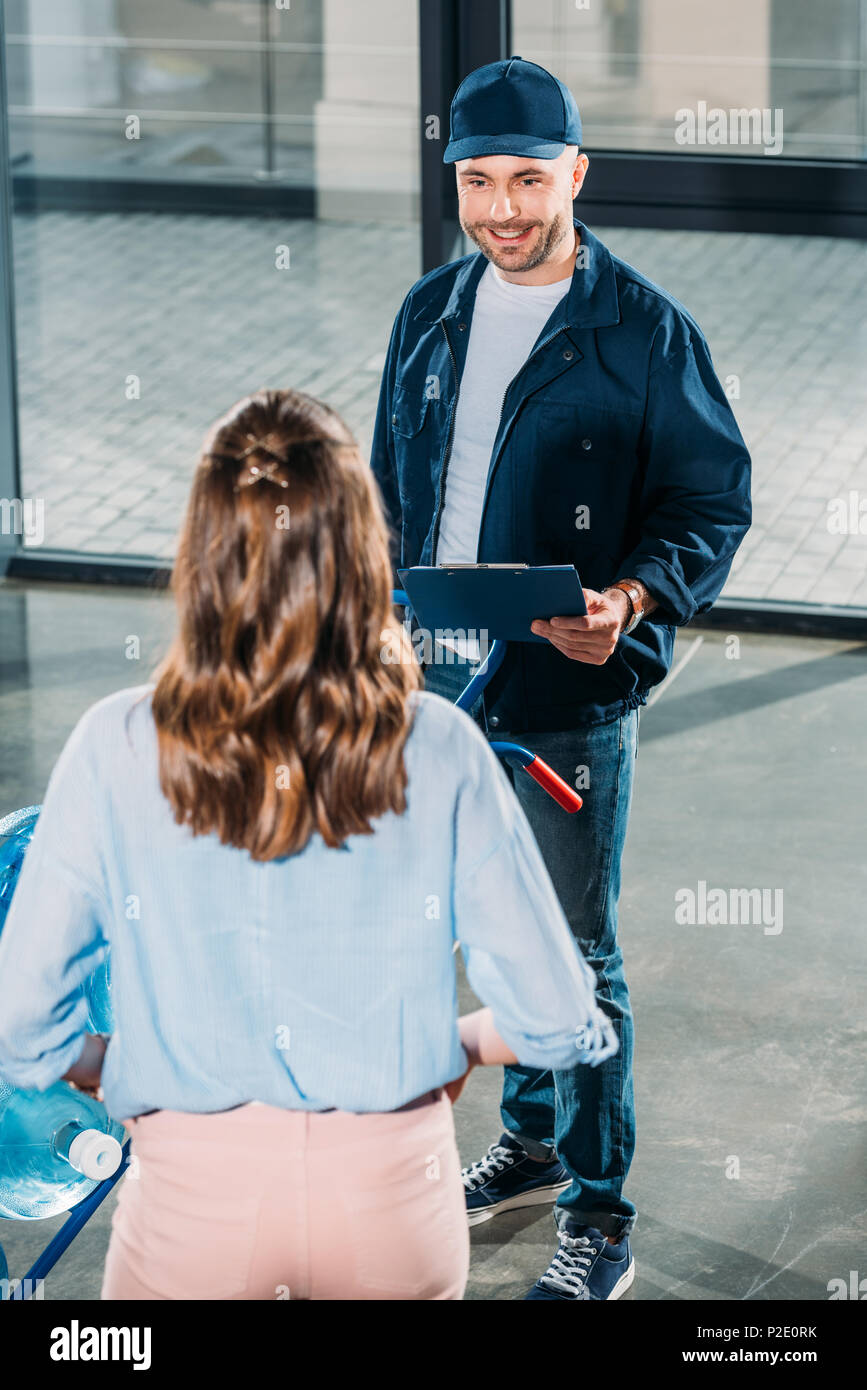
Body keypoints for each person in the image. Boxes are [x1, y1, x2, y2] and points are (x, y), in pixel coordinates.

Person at [0, 388, 616, 1302]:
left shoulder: (115, 741)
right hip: (389, 1199)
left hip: (190, 1207)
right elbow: (558, 1016)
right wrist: (435, 1049)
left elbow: (22, 1026)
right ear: (360, 553)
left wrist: (124, 1066)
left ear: (201, 554)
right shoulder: (438, 745)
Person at [371, 57, 751, 1301]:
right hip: (434, 677)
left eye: (528, 180)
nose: (503, 209)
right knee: (484, 928)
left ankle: (599, 1210)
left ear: (577, 174)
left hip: (566, 688)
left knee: (572, 952)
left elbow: (709, 501)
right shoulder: (430, 310)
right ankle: (530, 1144)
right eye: (478, 182)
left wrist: (631, 600)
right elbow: (389, 488)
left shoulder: (644, 331)